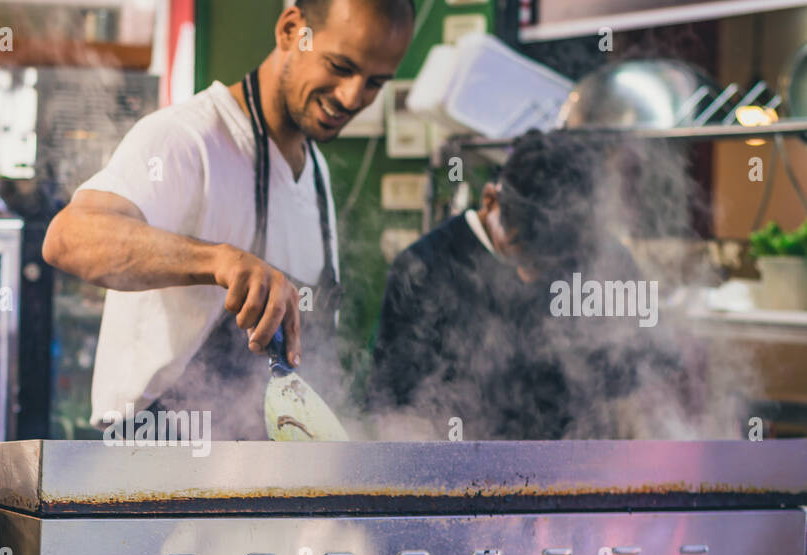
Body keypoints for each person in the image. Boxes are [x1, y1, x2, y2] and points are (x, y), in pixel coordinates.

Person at [43, 0, 414, 439]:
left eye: (375, 83)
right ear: (291, 30)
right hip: (156, 463)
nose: (353, 96)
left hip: (260, 468)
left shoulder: (316, 172)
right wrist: (219, 260)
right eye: (340, 66)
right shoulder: (187, 138)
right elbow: (68, 237)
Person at [372, 129, 675, 440]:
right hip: (466, 458)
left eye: (555, 261)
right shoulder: (423, 269)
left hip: (581, 456)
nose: (535, 274)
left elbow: (650, 375)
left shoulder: (603, 258)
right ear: (491, 201)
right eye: (524, 253)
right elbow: (395, 408)